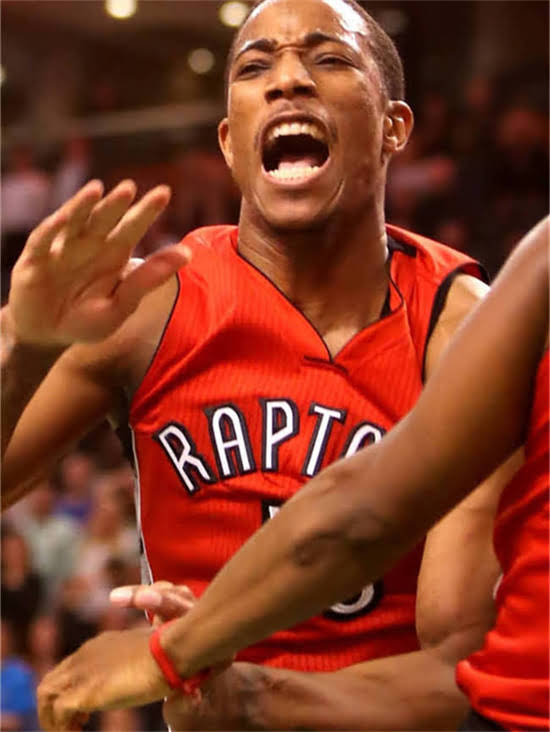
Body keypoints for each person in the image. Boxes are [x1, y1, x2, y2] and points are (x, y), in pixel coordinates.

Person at [1, 0, 524, 728]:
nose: (287, 80)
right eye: (254, 67)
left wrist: (242, 695)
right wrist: (26, 351)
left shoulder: (465, 329)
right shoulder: (153, 305)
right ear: (229, 141)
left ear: (394, 128)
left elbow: (458, 669)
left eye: (329, 58)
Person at [37, 216, 549, 731]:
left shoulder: (463, 312)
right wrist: (19, 339)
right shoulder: (156, 308)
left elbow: (367, 523)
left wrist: (176, 657)